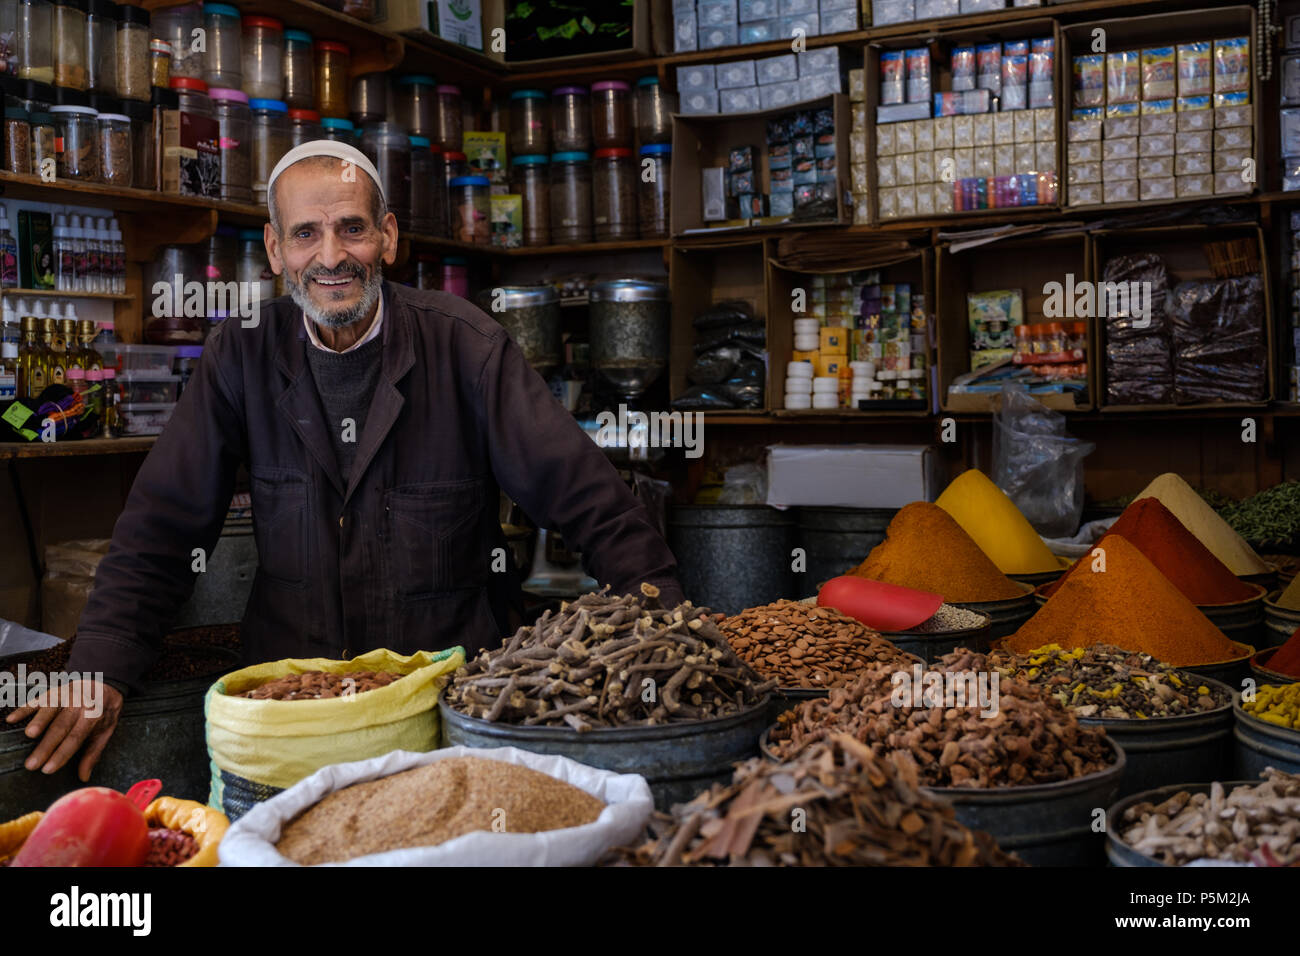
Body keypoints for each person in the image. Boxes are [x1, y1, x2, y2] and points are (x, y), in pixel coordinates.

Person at [8, 141, 685, 780]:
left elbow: (588, 501)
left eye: (352, 229)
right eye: (305, 233)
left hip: (448, 704)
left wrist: (674, 641)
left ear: (387, 236)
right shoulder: (240, 354)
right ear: (275, 248)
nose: (331, 256)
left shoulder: (466, 347)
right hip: (291, 706)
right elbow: (162, 523)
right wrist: (101, 666)